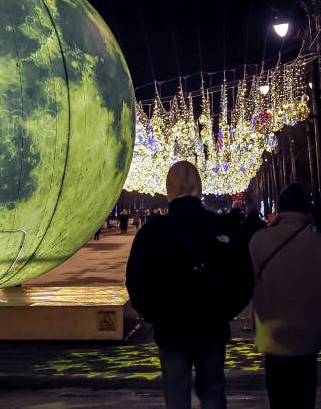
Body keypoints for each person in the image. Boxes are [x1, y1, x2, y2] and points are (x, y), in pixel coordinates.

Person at [126, 161, 253, 409]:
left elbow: (136, 282)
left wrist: (154, 315)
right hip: (211, 327)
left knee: (176, 397)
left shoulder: (152, 233)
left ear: (168, 189)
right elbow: (243, 277)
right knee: (214, 393)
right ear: (199, 186)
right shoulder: (220, 227)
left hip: (171, 328)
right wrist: (223, 312)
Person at [249, 182, 321, 409]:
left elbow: (250, 285)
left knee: (279, 397)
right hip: (309, 337)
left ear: (279, 209)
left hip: (273, 336)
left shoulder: (259, 241)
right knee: (305, 395)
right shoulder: (317, 241)